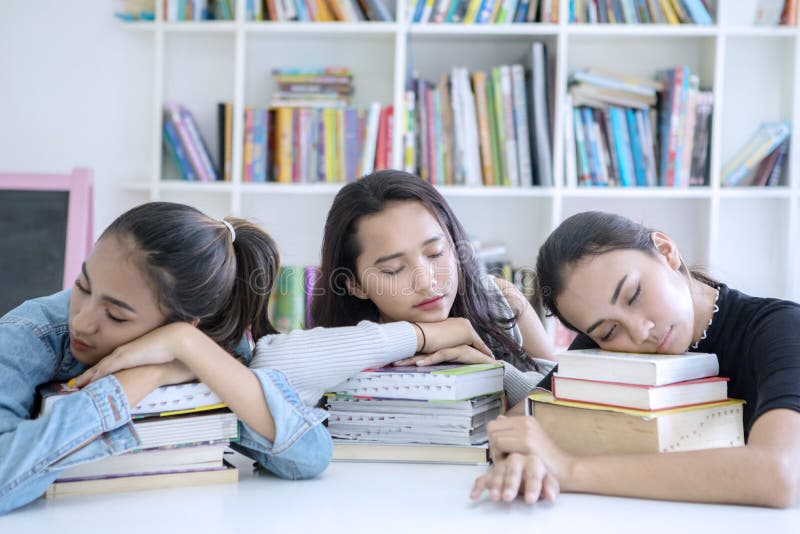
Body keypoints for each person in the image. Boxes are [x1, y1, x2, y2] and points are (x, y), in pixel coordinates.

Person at [0, 201, 492, 515]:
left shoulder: (213, 341)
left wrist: (187, 351)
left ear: (188, 322)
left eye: (117, 314)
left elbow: (308, 456)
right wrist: (136, 382)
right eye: (83, 286)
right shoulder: (30, 334)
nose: (84, 320)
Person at [471, 211, 800, 508]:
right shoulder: (606, 345)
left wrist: (571, 470)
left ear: (666, 252)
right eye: (609, 330)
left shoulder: (779, 328)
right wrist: (523, 460)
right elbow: (518, 423)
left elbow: (780, 474)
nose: (640, 332)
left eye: (634, 295)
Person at [307, 170, 555, 411]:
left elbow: (565, 398)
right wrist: (420, 335)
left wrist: (497, 372)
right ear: (355, 284)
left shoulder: (500, 300)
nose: (425, 282)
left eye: (435, 253)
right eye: (393, 269)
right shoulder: (341, 348)